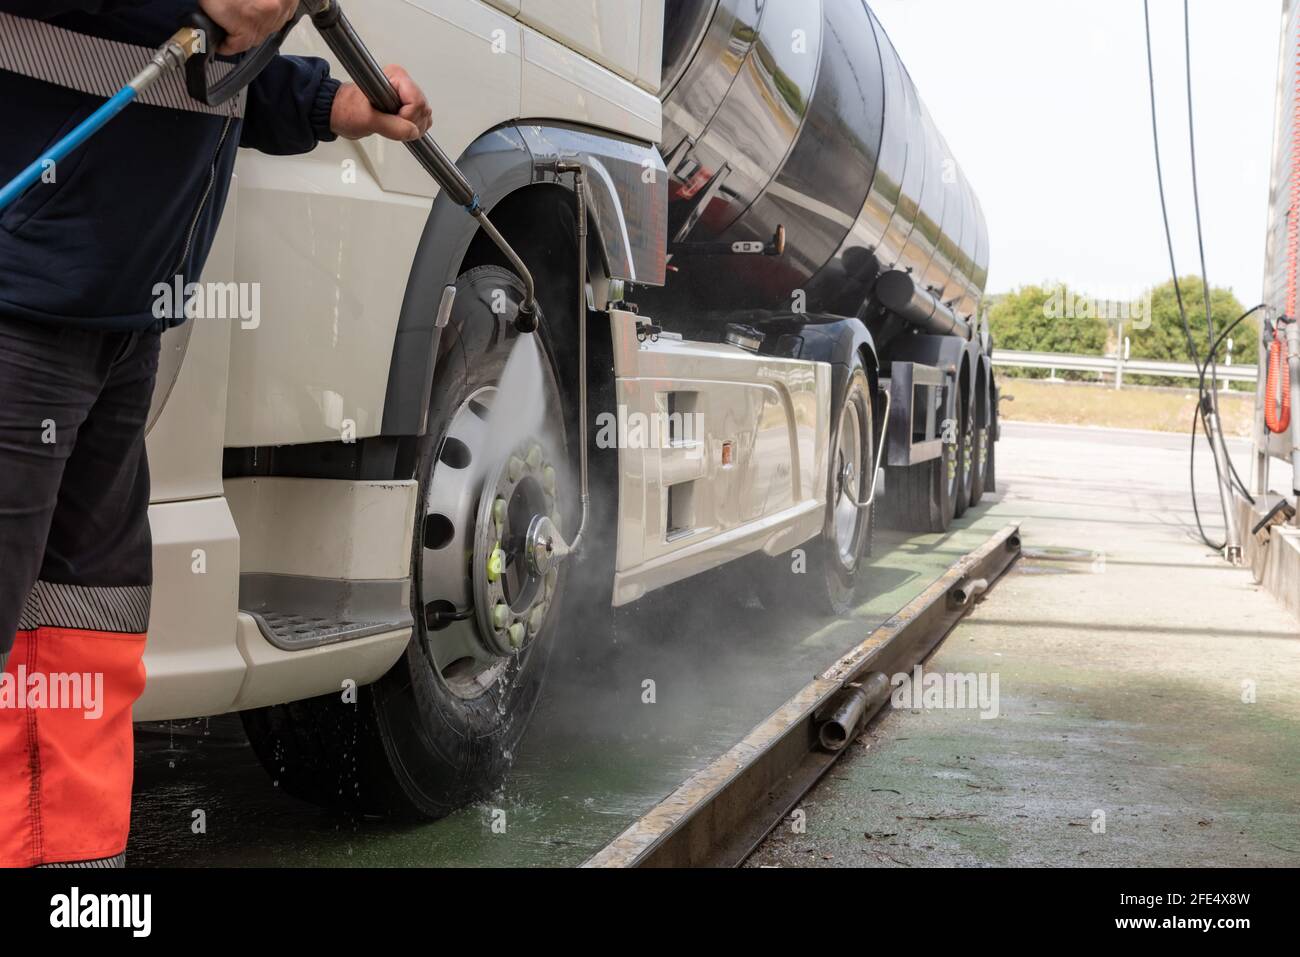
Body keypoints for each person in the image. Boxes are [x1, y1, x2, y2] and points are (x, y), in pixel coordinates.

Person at [0, 0, 433, 868]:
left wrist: (328, 104)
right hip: (19, 303)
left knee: (87, 620)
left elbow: (204, 73)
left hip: (117, 324)